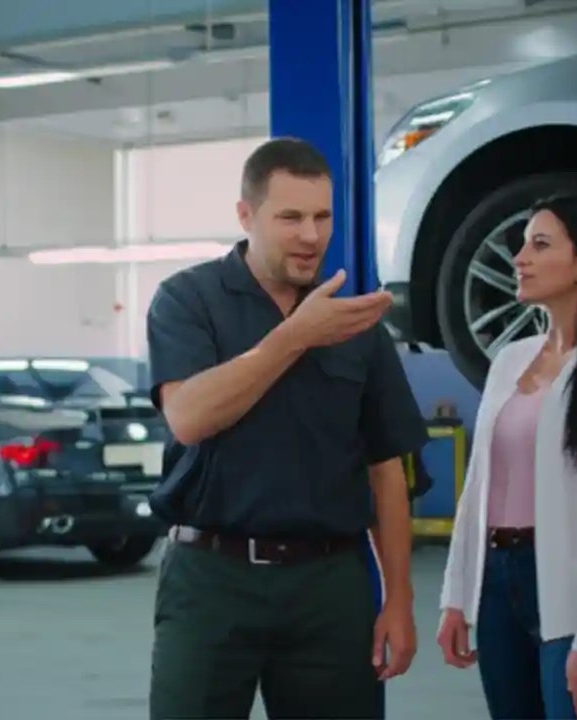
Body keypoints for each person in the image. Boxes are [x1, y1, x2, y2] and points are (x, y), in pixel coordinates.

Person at [145, 137, 431, 720]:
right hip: (211, 578)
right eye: (291, 217)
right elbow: (189, 417)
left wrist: (398, 596)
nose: (311, 235)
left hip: (330, 586)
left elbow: (387, 472)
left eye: (322, 217)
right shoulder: (187, 301)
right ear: (246, 216)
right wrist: (296, 336)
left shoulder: (358, 327)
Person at [435, 196, 577, 720]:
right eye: (522, 245)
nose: (519, 258)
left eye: (540, 244)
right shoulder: (508, 360)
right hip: (497, 583)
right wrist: (456, 595)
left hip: (571, 596)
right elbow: (476, 491)